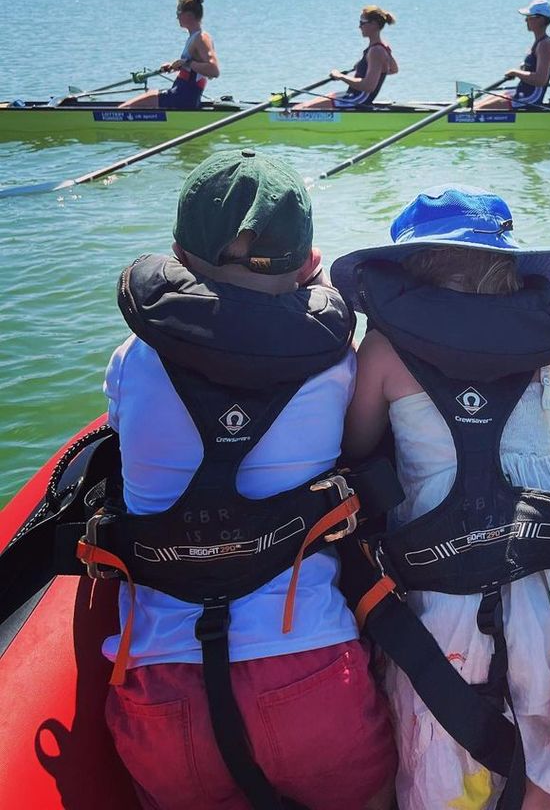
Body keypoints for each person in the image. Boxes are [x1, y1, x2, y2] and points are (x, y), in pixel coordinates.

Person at [86, 149, 395, 810]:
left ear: (178, 256)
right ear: (310, 266)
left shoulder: (131, 360)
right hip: (311, 678)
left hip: (162, 692)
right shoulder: (337, 367)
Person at [331, 186, 550, 810]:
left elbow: (354, 445)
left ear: (407, 273)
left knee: (446, 768)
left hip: (445, 602)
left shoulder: (383, 348)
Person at [119, 0, 220, 109]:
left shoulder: (202, 38)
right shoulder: (194, 37)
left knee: (125, 108)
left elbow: (214, 71)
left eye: (179, 12)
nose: (177, 16)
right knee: (137, 102)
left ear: (189, 15)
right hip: (179, 95)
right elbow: (193, 71)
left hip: (182, 99)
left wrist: (186, 63)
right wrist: (174, 66)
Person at [295, 5, 399, 109]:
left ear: (374, 24)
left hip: (358, 100)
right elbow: (393, 69)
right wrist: (368, 69)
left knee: (302, 108)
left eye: (362, 22)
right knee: (303, 105)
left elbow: (368, 86)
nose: (359, 26)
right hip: (352, 95)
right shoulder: (382, 47)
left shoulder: (376, 51)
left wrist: (340, 76)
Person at [474, 0, 550, 111]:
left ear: (540, 19)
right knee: (476, 105)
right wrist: (522, 68)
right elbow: (533, 68)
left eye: (529, 16)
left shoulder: (545, 45)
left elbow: (540, 79)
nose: (525, 20)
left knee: (478, 109)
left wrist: (516, 72)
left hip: (530, 99)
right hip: (522, 92)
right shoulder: (539, 42)